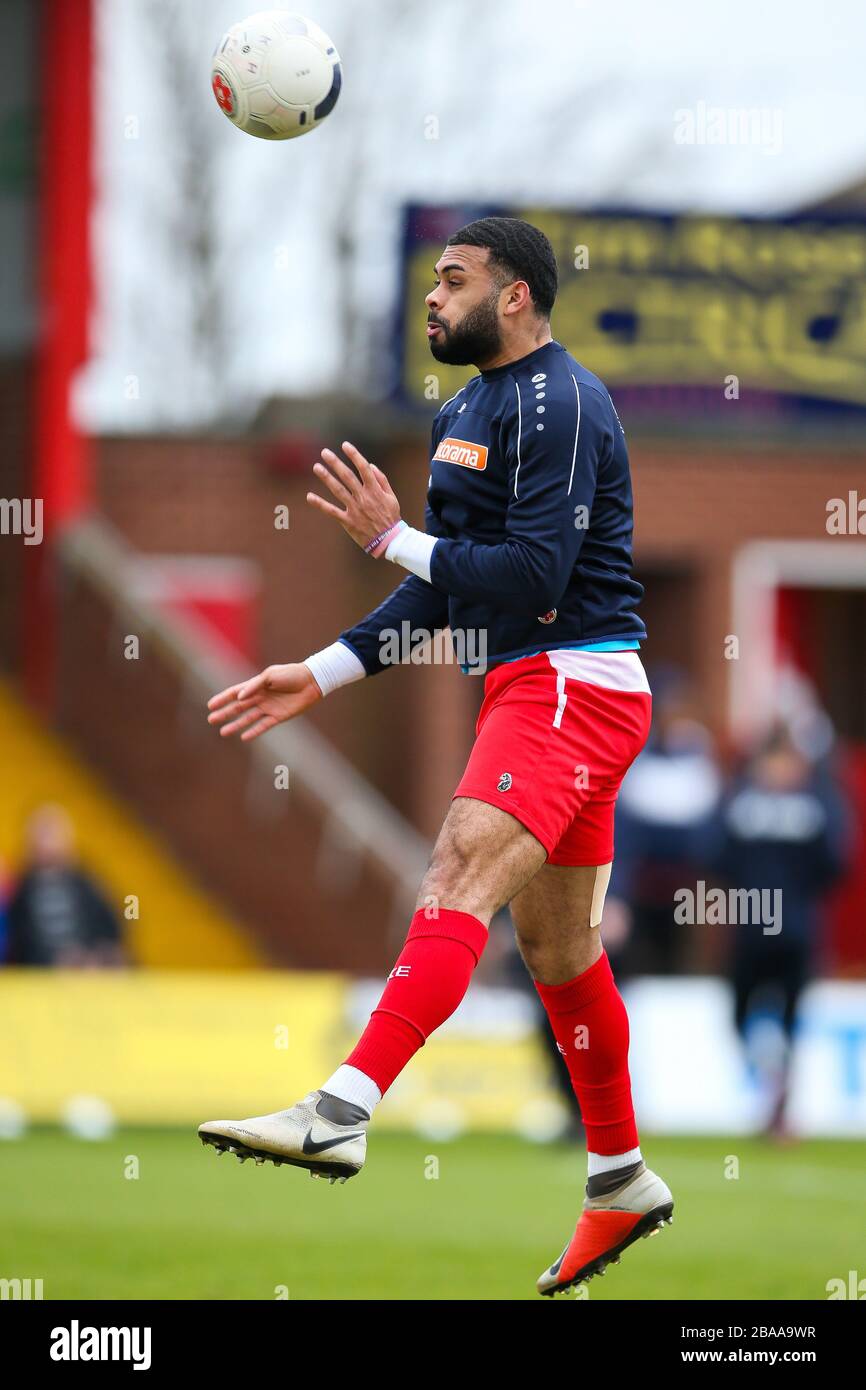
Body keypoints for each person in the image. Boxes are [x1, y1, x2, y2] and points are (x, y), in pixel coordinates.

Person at [198, 217, 673, 1297]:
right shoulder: (462, 407)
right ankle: (617, 1177)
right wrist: (318, 671)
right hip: (543, 683)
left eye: (452, 280)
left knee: (456, 870)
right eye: (430, 281)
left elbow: (536, 569)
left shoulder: (560, 400)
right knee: (557, 952)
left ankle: (340, 1110)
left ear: (513, 296)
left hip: (567, 677)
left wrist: (388, 538)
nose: (431, 298)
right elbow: (445, 582)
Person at [711, 724, 849, 1139]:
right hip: (778, 927)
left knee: (774, 1015)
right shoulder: (816, 802)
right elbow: (836, 863)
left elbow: (714, 854)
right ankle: (774, 1081)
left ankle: (778, 1097)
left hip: (778, 927)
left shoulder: (741, 800)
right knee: (746, 1013)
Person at [5, 805, 125, 968]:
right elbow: (19, 942)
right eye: (42, 833)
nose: (47, 841)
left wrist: (99, 953)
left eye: (52, 833)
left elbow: (115, 922)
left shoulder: (87, 882)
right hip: (44, 974)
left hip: (90, 968)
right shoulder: (21, 890)